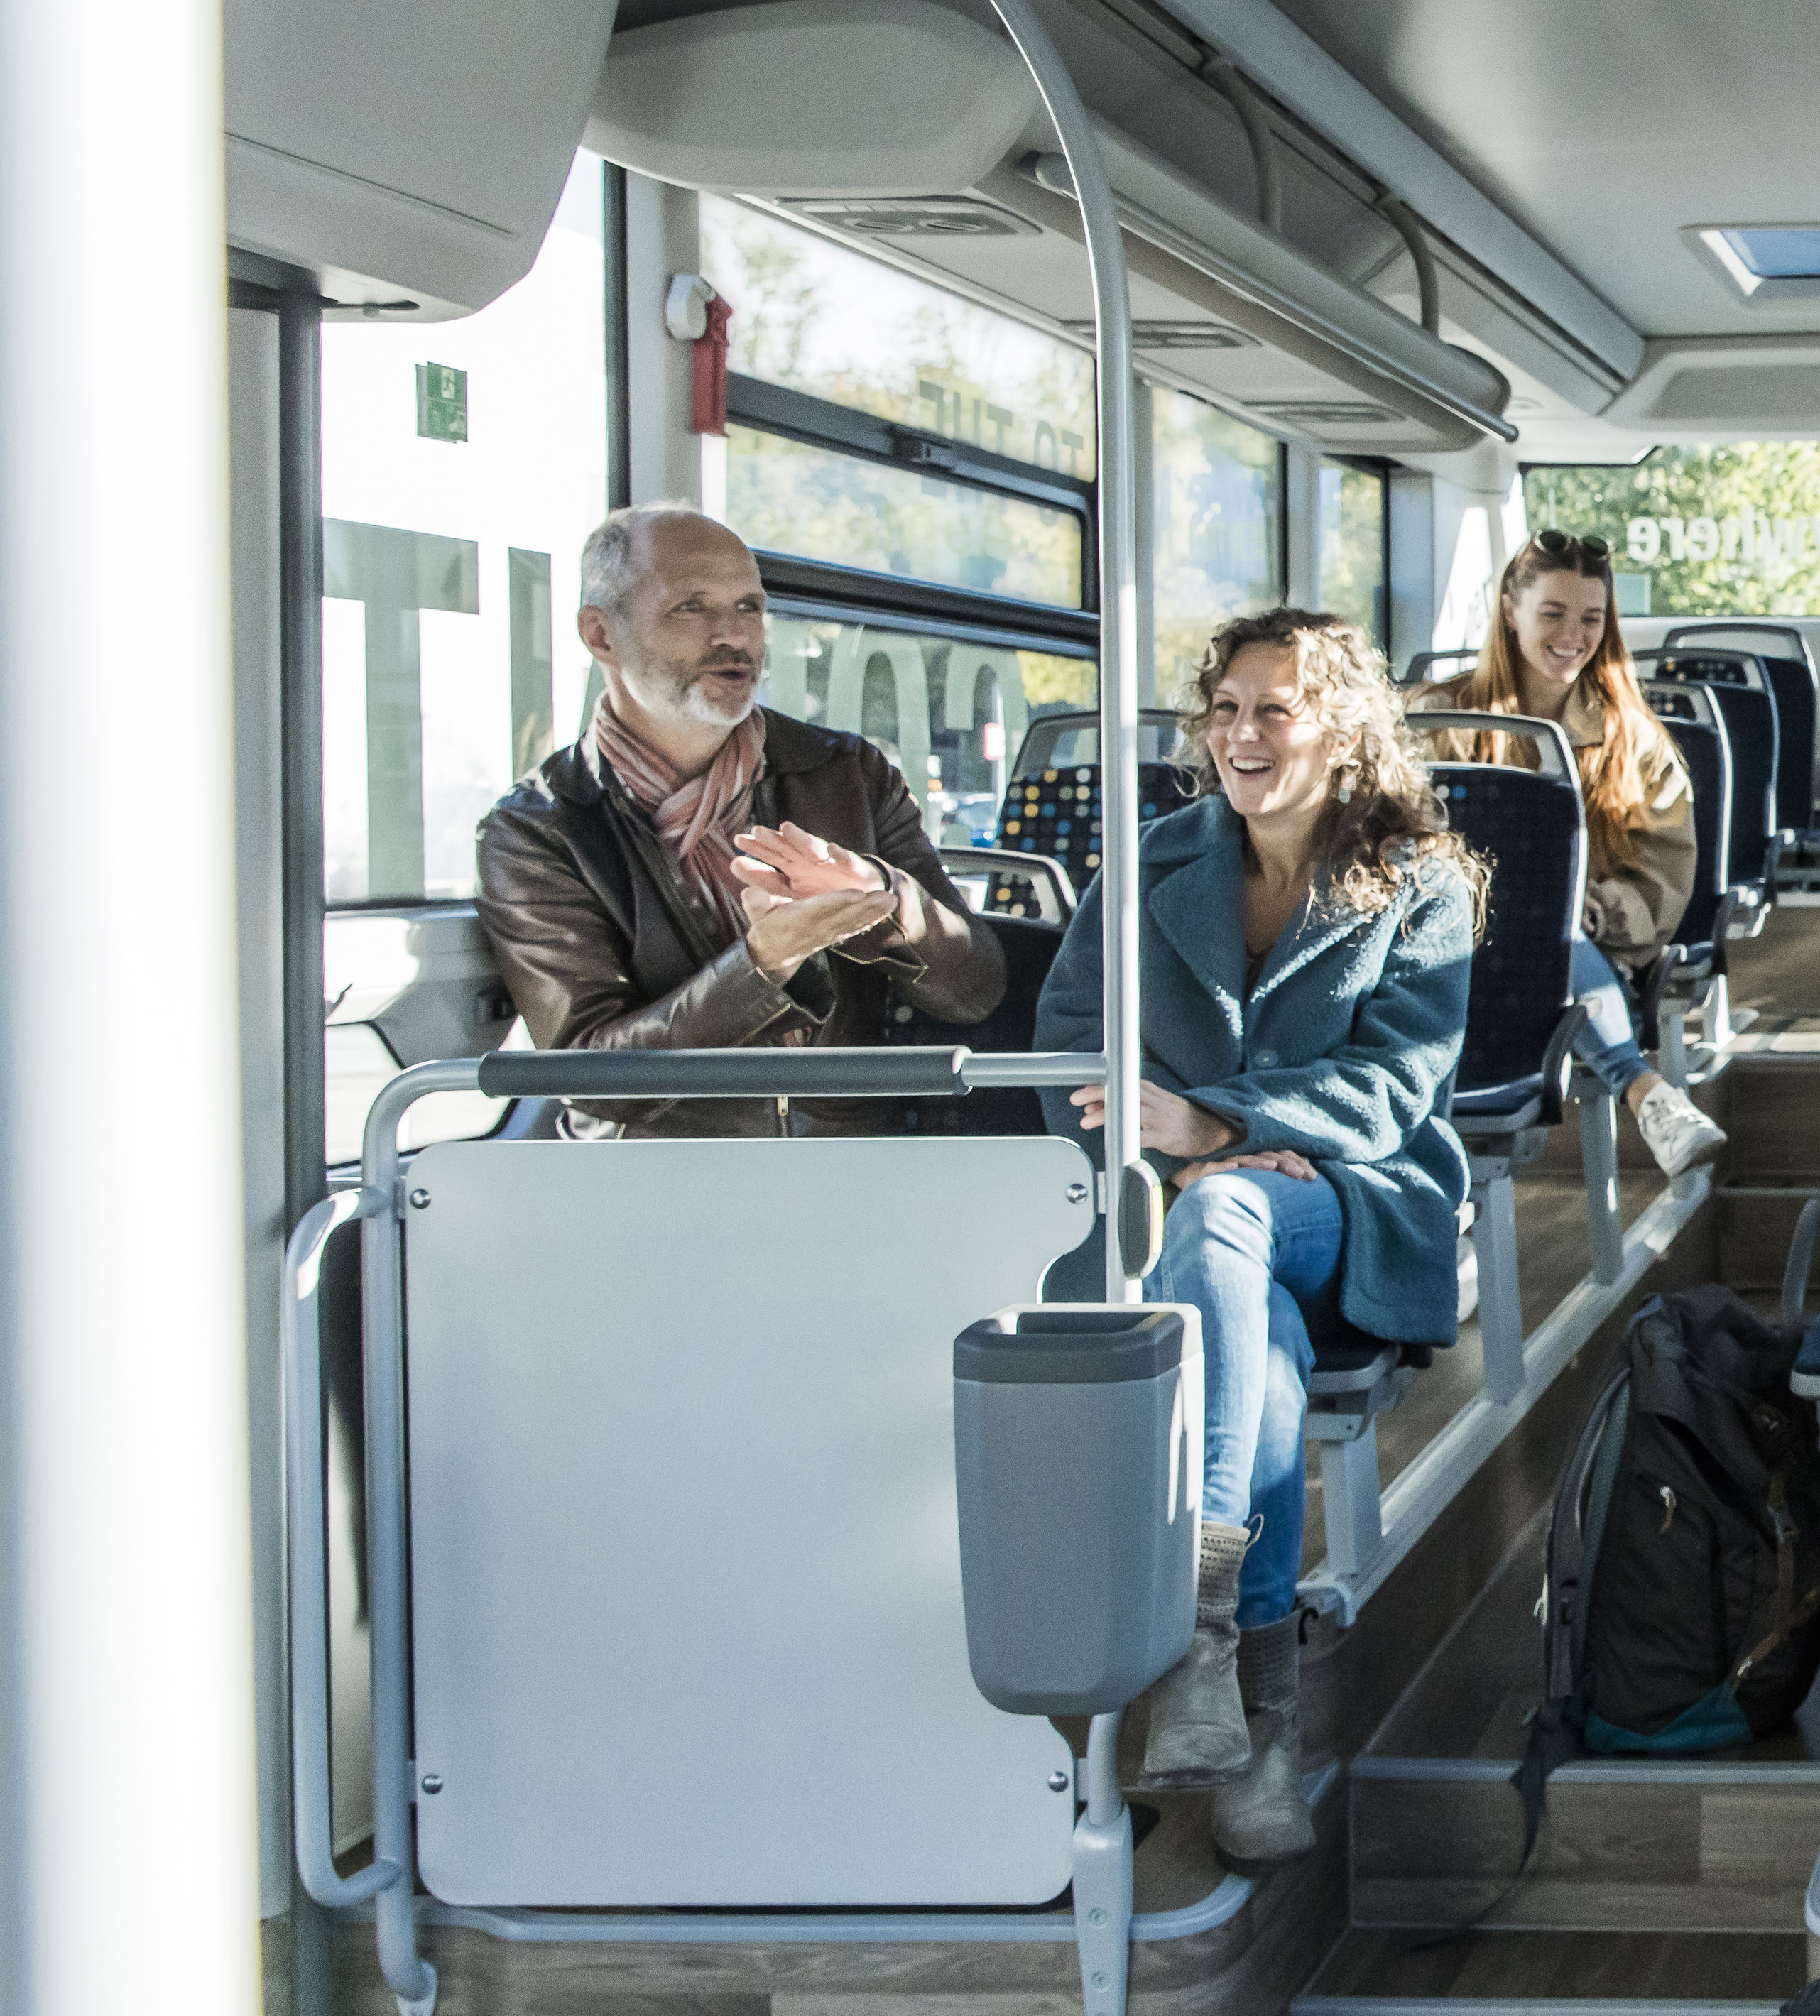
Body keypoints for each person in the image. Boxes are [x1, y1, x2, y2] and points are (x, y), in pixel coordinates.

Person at [1038, 606, 1481, 1868]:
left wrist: (1221, 1125)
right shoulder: (1150, 862)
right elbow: (1072, 1040)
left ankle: (1194, 1630)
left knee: (1233, 1210)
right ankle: (1257, 1717)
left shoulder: (1419, 881)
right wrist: (1167, 1148)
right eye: (1225, 707)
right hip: (1184, 1222)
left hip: (1353, 1199)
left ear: (1339, 728)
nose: (1242, 731)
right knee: (1260, 1342)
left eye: (1273, 707)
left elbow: (1399, 1082)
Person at [476, 502, 999, 1133]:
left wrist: (886, 901)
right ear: (600, 634)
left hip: (844, 1155)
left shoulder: (846, 775)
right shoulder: (539, 829)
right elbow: (592, 1083)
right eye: (691, 608)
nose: (735, 636)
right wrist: (762, 966)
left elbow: (976, 992)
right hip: (653, 1174)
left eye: (749, 607)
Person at [1407, 530, 1728, 1177]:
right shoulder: (1431, 719)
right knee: (1520, 904)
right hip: (1438, 950)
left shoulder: (1632, 739)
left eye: (1590, 618)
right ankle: (1647, 1092)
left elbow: (1663, 877)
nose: (1572, 635)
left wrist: (1597, 907)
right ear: (1509, 611)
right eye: (1553, 614)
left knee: (1548, 921)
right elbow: (1383, 844)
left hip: (1581, 959)